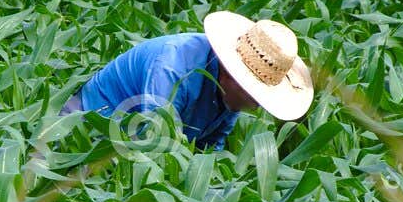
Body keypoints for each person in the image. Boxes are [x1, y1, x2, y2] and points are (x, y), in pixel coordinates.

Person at [63, 13, 314, 149]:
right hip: (87, 130)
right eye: (254, 95)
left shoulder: (232, 97)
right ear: (230, 75)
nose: (257, 106)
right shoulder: (172, 70)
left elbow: (210, 148)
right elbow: (154, 145)